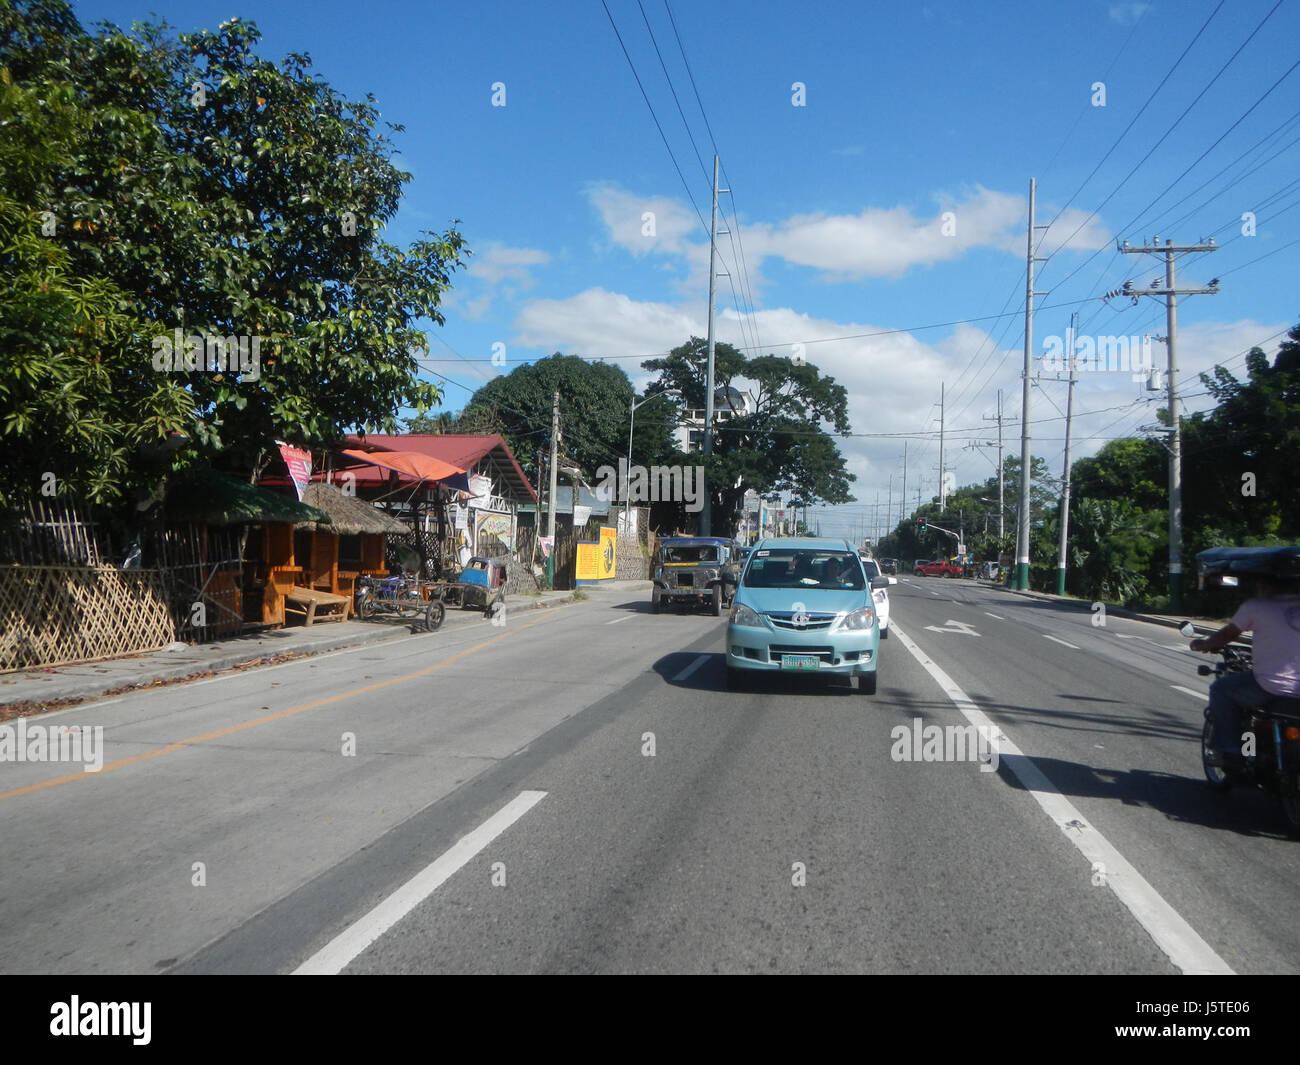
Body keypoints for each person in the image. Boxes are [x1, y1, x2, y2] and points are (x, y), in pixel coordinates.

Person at [1191, 573, 1300, 765]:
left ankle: (1230, 751)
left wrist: (1205, 644)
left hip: (1270, 686)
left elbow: (1227, 634)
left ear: (1265, 585)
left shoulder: (1256, 606)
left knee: (1221, 690)